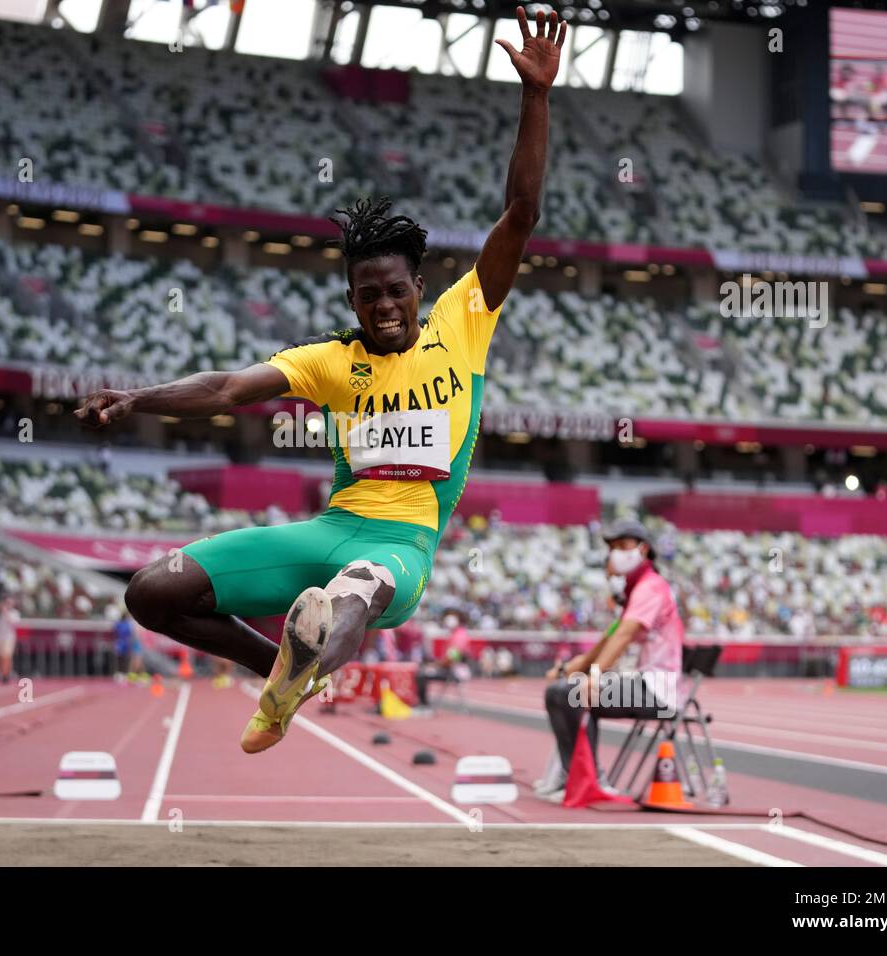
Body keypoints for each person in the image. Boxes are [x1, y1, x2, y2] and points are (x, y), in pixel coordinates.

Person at [76, 7, 567, 754]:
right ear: (351, 301)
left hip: (401, 547)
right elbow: (224, 390)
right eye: (367, 295)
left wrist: (534, 95)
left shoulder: (463, 322)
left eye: (395, 291)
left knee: (352, 593)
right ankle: (283, 667)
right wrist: (137, 398)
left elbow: (521, 213)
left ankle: (308, 655)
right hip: (328, 530)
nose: (384, 306)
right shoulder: (330, 359)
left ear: (418, 286)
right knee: (151, 591)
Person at [537, 519, 685, 803]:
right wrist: (569, 669)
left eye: (622, 545)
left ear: (643, 550)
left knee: (571, 694)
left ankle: (591, 780)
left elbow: (624, 635)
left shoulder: (651, 587)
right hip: (643, 685)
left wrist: (591, 676)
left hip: (659, 692)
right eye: (612, 547)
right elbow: (609, 638)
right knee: (560, 692)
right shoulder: (635, 594)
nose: (615, 552)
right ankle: (575, 776)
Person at [0, 596, 19, 682]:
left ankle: (7, 674)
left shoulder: (15, 613)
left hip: (9, 638)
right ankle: (2, 673)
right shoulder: (0, 614)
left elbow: (12, 623)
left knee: (7, 656)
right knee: (1, 657)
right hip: (0, 637)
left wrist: (5, 613)